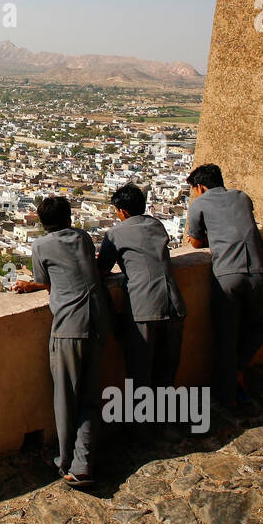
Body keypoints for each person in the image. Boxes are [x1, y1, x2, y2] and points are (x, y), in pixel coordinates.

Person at [14, 195, 110, 488]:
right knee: (91, 398)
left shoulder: (41, 245)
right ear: (69, 219)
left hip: (70, 326)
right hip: (100, 321)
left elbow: (45, 280)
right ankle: (83, 462)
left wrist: (30, 284)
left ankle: (65, 460)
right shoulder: (82, 237)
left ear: (42, 224)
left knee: (66, 397)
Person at [184, 164, 263, 417]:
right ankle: (238, 370)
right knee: (261, 325)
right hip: (258, 271)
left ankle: (227, 396)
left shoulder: (199, 204)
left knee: (226, 337)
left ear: (200, 187)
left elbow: (195, 241)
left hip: (227, 275)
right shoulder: (242, 197)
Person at [98, 183, 186, 434]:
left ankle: (142, 429)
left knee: (140, 372)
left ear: (122, 211)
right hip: (174, 302)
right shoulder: (156, 225)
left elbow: (103, 269)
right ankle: (164, 421)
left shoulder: (116, 234)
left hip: (144, 306)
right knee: (167, 368)